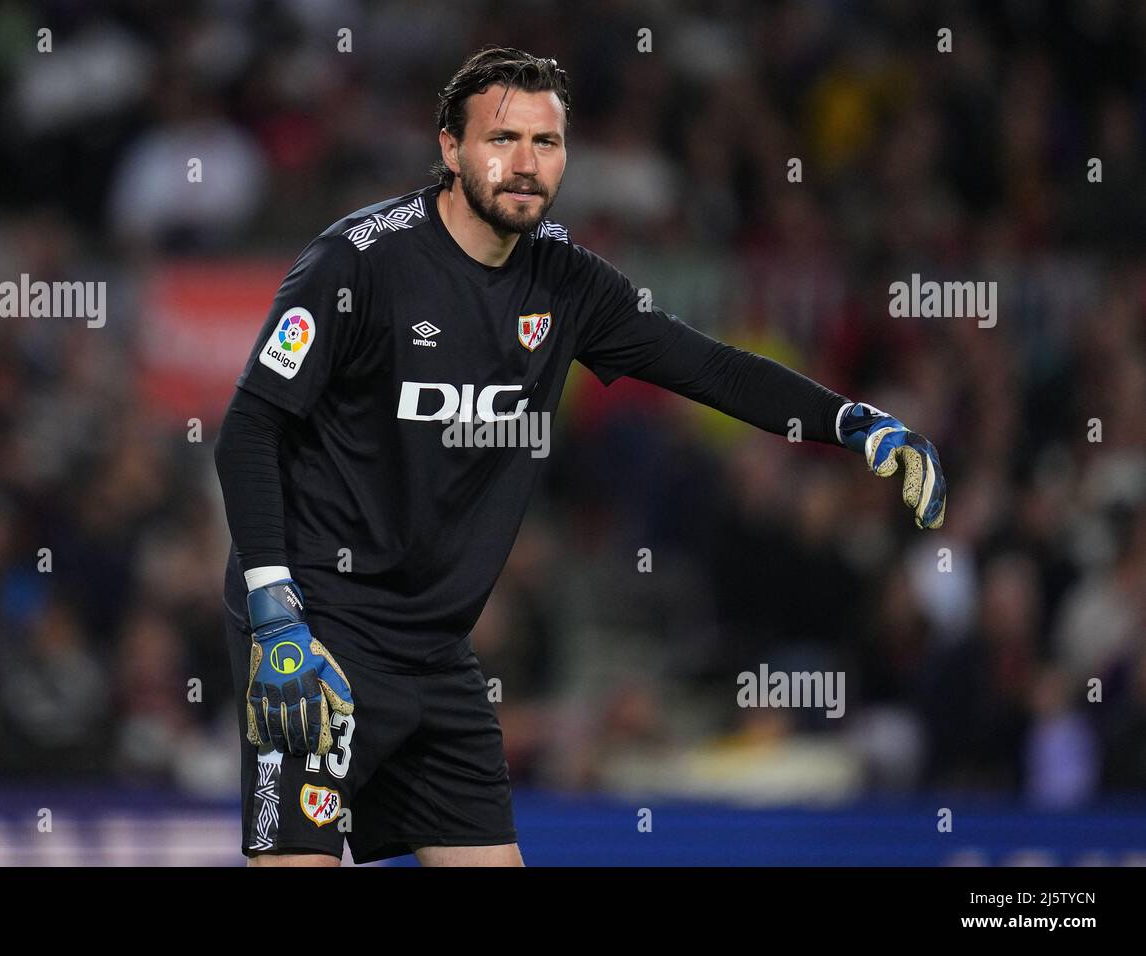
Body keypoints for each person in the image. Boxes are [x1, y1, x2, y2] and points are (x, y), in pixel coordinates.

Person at [213, 46, 946, 867]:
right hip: (315, 631)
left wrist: (848, 419)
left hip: (437, 646)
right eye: (502, 140)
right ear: (450, 150)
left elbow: (705, 364)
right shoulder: (358, 264)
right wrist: (274, 611)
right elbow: (249, 429)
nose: (526, 166)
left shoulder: (568, 282)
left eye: (547, 143)